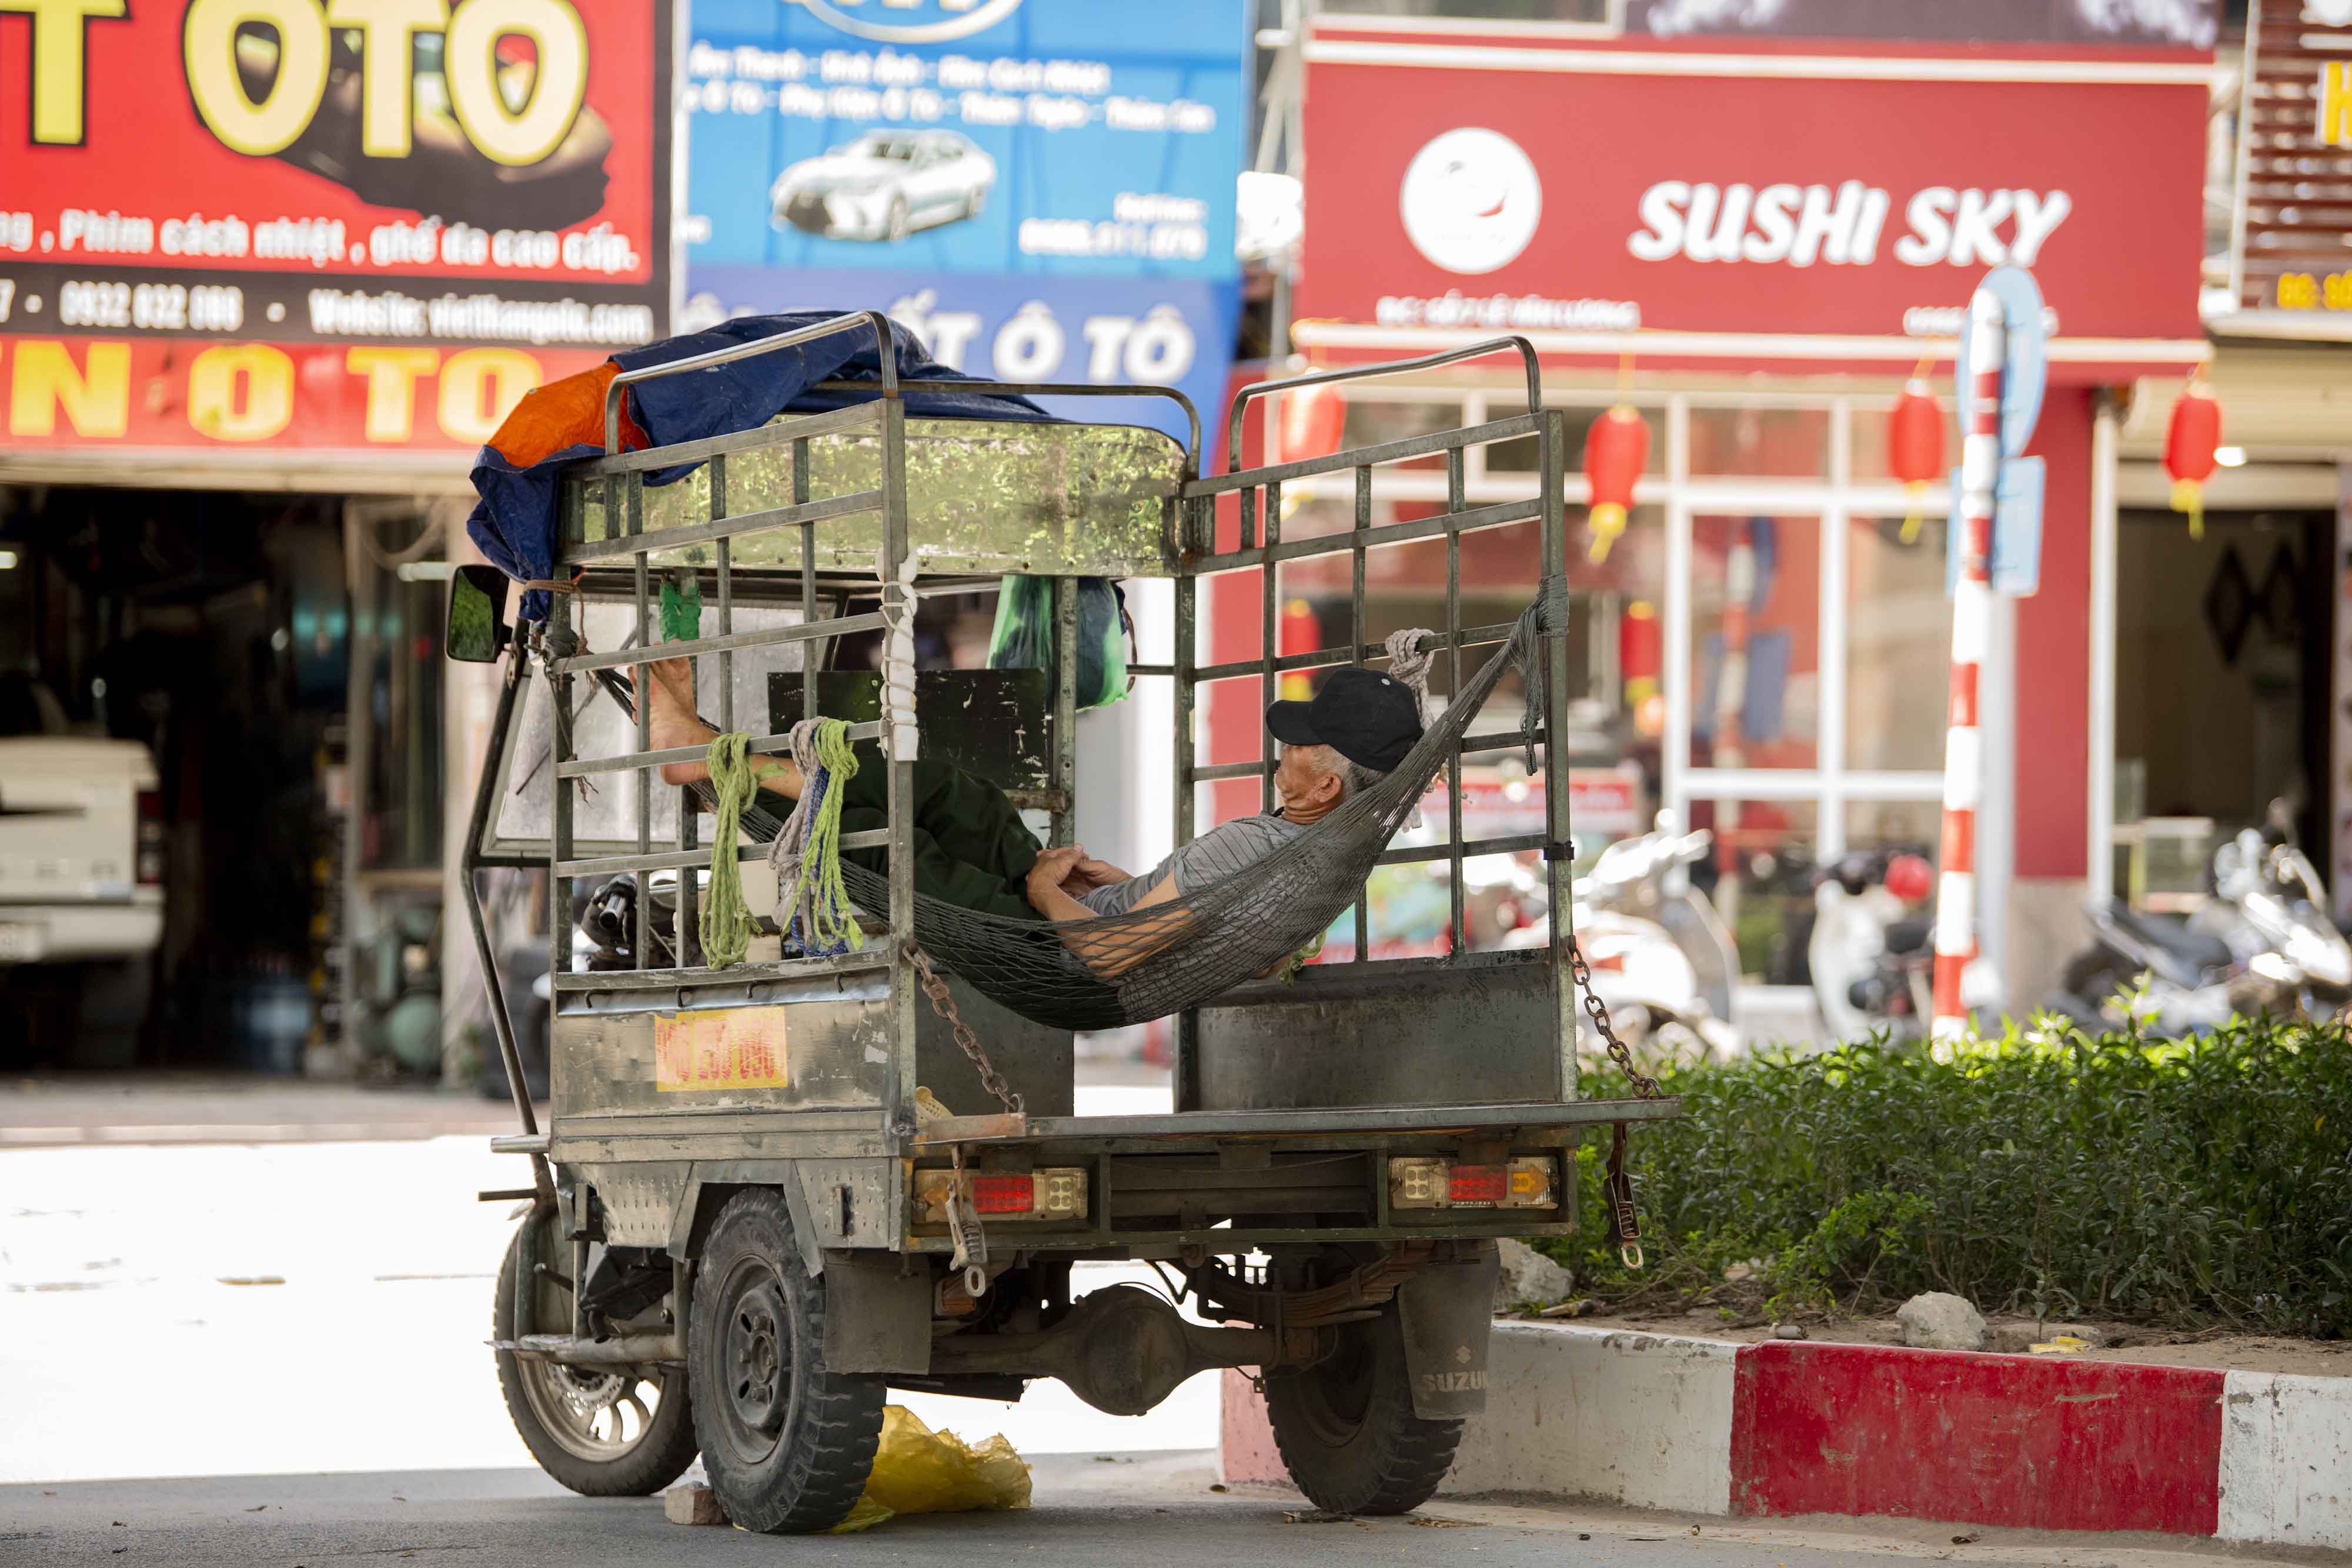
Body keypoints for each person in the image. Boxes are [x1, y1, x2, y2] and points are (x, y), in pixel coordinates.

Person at [636, 657, 1422, 975]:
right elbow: (1195, 920)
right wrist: (1123, 882)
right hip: (1070, 915)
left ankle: (707, 758)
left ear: (1325, 787)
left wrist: (1051, 893)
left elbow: (1114, 956)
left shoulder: (1264, 847)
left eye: (1298, 750)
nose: (1279, 756)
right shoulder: (1319, 857)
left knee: (890, 848)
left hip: (1051, 951)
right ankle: (711, 754)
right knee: (954, 793)